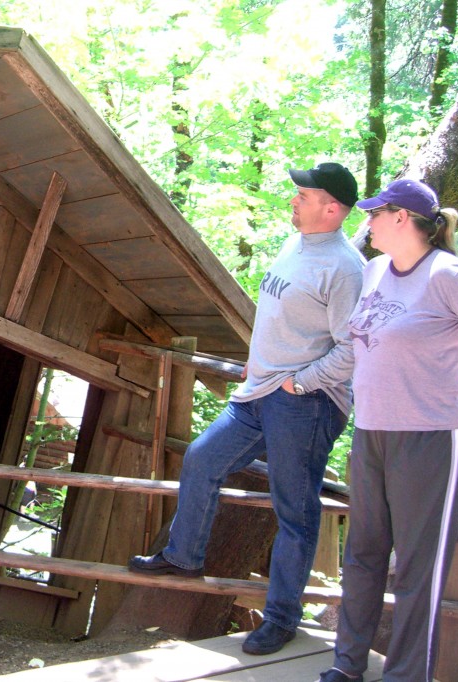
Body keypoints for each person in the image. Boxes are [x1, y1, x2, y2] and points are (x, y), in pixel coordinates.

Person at [129, 162, 365, 655]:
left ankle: (281, 619)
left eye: (304, 195)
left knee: (295, 513)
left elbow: (352, 349)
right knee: (202, 459)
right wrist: (258, 365)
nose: (295, 200)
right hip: (259, 392)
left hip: (305, 404)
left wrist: (299, 385)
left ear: (332, 209)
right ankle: (185, 555)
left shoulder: (346, 269)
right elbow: (281, 319)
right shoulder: (294, 243)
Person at [320, 180, 458, 682]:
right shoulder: (375, 270)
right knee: (362, 553)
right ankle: (347, 667)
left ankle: (406, 677)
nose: (367, 223)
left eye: (375, 214)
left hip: (431, 436)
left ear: (401, 218)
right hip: (372, 432)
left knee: (417, 568)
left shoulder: (448, 274)